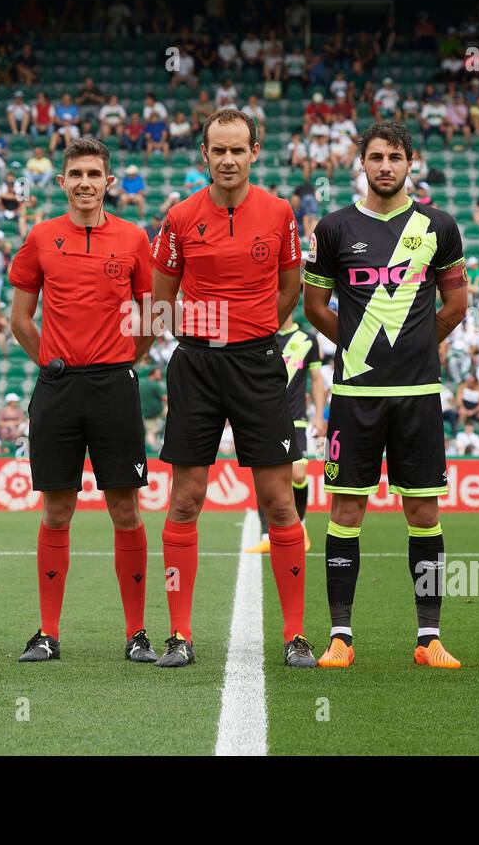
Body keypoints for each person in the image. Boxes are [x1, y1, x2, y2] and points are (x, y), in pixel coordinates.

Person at [150, 108, 316, 668]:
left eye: (237, 150)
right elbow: (162, 300)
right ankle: (179, 634)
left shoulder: (279, 213)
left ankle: (295, 635)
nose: (227, 159)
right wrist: (204, 335)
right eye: (217, 150)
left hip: (258, 365)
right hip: (196, 367)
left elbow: (290, 288)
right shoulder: (179, 217)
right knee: (187, 498)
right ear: (204, 154)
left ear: (253, 153)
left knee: (276, 500)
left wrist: (250, 332)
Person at [303, 122, 468, 670]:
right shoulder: (333, 227)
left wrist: (417, 344)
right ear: (362, 162)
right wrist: (357, 348)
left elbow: (456, 305)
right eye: (375, 157)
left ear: (409, 162)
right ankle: (341, 637)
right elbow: (315, 308)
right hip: (355, 392)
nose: (385, 166)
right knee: (346, 508)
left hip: (418, 392)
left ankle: (428, 639)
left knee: (422, 510)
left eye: (394, 157)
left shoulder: (437, 226)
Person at [7, 136, 157, 663]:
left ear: (108, 181)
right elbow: (19, 318)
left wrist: (125, 359)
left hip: (115, 385)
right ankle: (47, 633)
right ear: (62, 181)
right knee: (57, 508)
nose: (86, 183)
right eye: (77, 174)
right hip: (59, 387)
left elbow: (151, 316)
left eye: (95, 174)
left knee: (125, 507)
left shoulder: (135, 238)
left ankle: (136, 633)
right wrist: (45, 360)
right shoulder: (42, 237)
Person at [243, 312, 326, 554]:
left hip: (295, 417)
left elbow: (317, 379)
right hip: (263, 417)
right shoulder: (261, 337)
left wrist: (319, 415)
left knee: (299, 474)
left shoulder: (307, 339)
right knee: (265, 476)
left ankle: (300, 528)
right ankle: (267, 535)